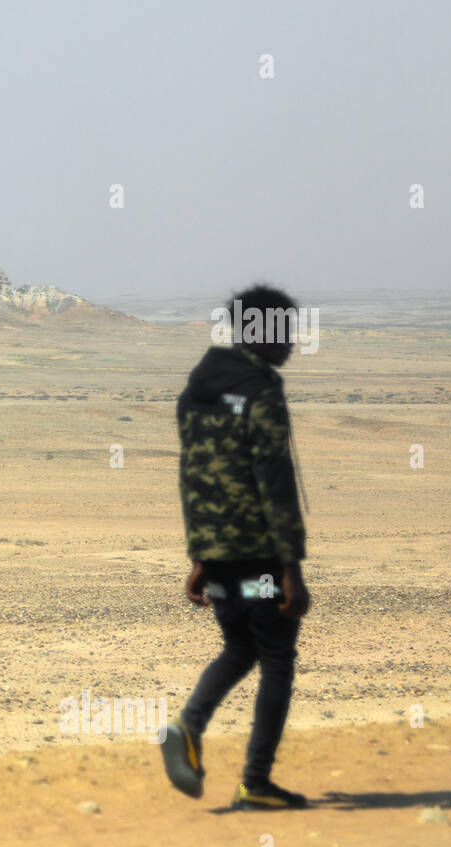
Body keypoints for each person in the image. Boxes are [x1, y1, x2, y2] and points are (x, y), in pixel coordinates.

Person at [162, 284, 311, 809]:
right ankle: (256, 782)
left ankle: (188, 723)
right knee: (276, 658)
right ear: (264, 334)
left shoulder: (197, 390)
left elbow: (195, 477)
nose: (293, 343)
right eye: (287, 333)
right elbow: (274, 479)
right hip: (260, 558)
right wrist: (290, 567)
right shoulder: (260, 392)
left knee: (239, 647)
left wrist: (201, 557)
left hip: (219, 556)